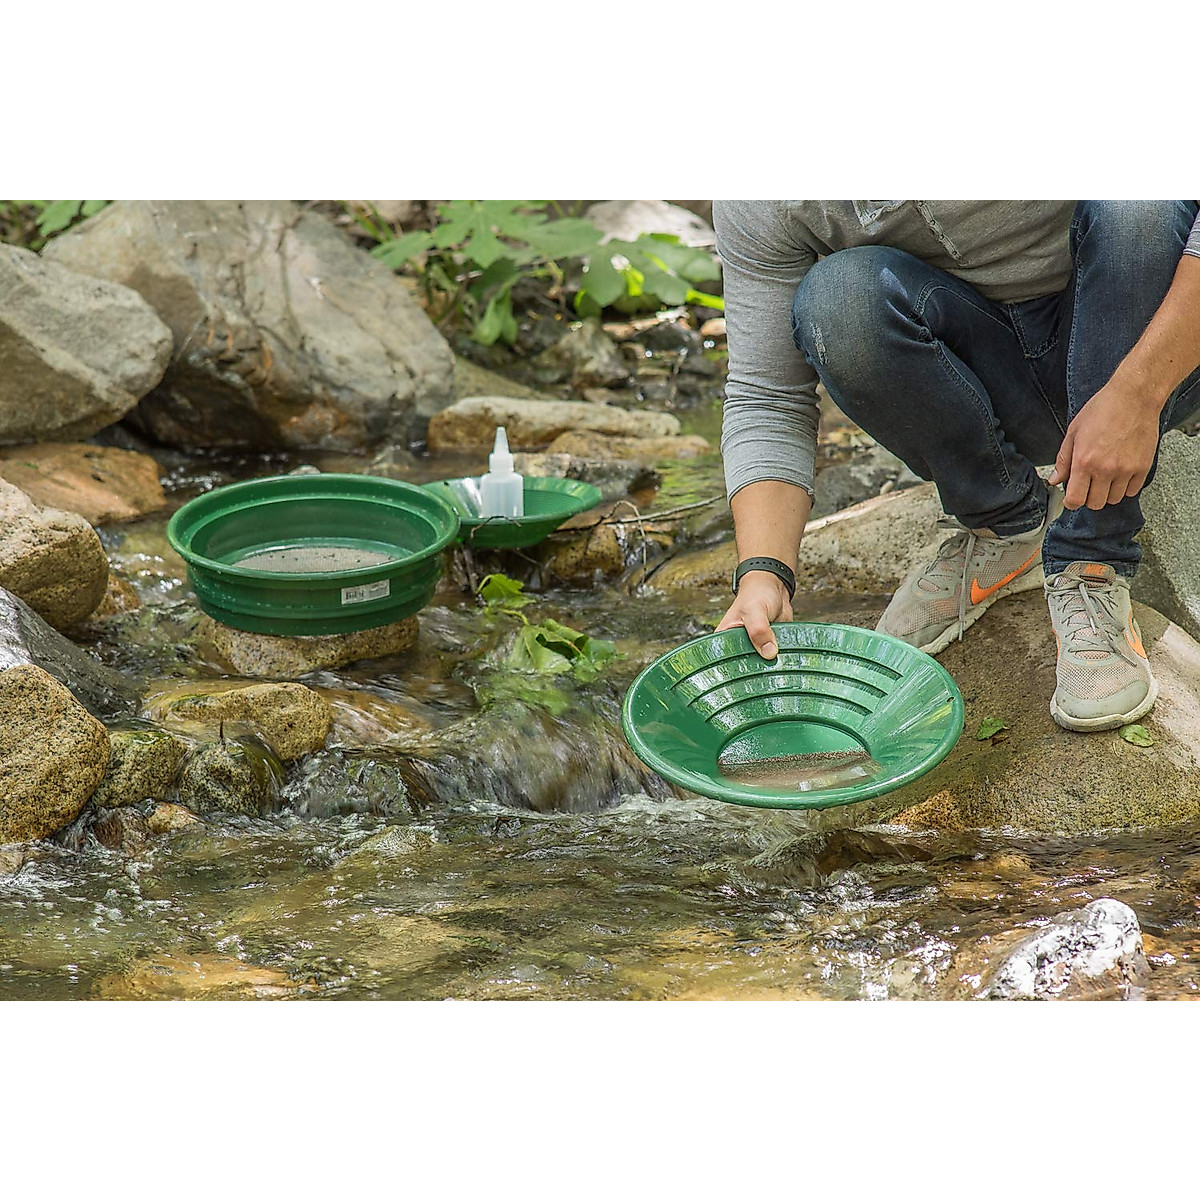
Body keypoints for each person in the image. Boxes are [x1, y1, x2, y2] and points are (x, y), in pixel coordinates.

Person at [713, 201, 1200, 731]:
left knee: (1139, 200)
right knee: (840, 298)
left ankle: (1093, 558)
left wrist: (1137, 393)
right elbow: (768, 396)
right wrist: (764, 573)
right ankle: (1010, 525)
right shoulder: (761, 197)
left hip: (1154, 344)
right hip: (987, 366)